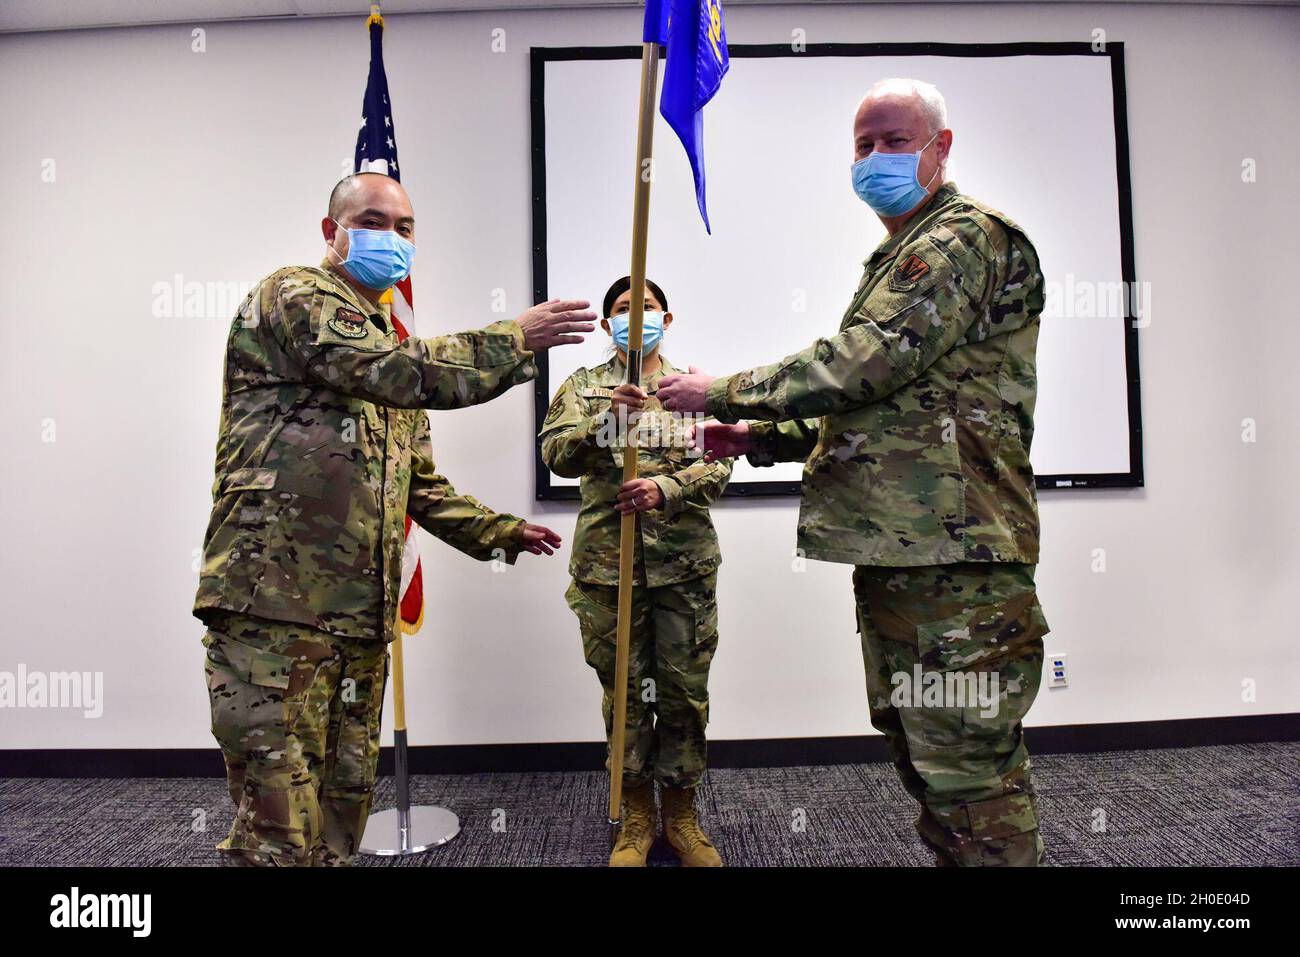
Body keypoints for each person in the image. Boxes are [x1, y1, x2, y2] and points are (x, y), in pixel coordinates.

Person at [659, 78, 1052, 867]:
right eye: (863, 145)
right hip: (911, 554)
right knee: (926, 754)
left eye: (895, 141)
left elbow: (861, 365)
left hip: (957, 561)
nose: (874, 158)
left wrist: (721, 390)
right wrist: (751, 437)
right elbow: (883, 407)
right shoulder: (904, 250)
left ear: (941, 149)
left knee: (967, 767)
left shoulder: (958, 239)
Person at [195, 171, 594, 866]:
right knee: (277, 832)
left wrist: (502, 530)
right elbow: (396, 369)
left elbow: (419, 486)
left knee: (337, 826)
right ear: (332, 232)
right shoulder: (297, 297)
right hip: (274, 614)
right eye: (374, 222)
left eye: (405, 227)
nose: (392, 238)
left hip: (357, 622)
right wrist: (514, 338)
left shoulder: (388, 346)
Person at [540, 276, 733, 867]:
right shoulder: (584, 387)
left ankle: (681, 814)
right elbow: (555, 456)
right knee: (623, 695)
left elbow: (719, 465)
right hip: (609, 570)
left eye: (645, 309)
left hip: (683, 571)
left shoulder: (693, 389)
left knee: (683, 697)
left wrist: (666, 488)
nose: (634, 318)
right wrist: (606, 426)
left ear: (666, 319)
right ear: (606, 325)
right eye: (623, 311)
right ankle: (635, 817)